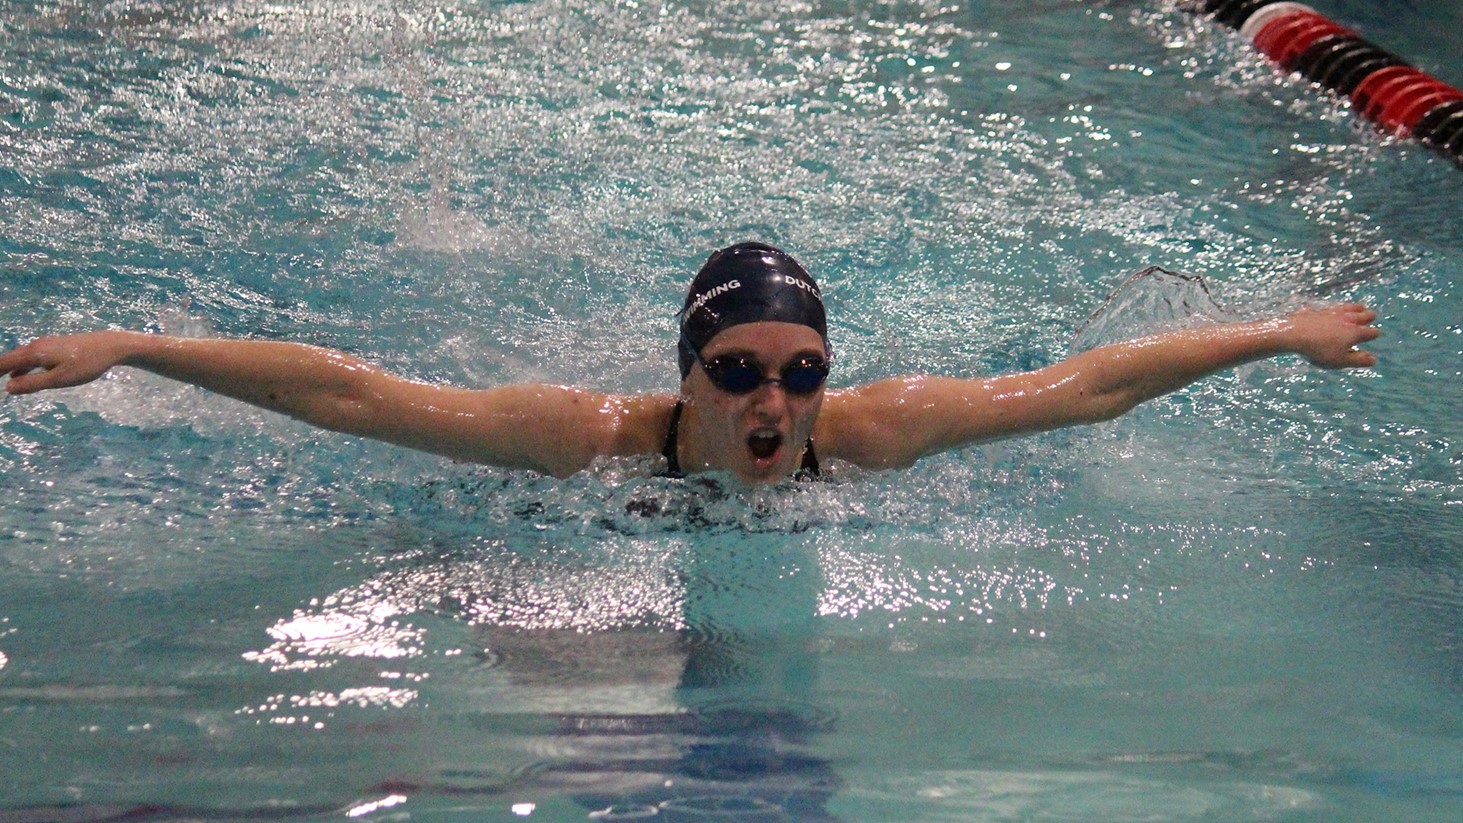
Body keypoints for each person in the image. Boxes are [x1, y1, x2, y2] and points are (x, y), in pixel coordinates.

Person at [0, 242, 1380, 485]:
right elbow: (349, 394)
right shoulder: (588, 439)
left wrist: (1276, 333)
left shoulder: (881, 434)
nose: (772, 402)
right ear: (686, 372)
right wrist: (136, 349)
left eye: (800, 372)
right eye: (736, 373)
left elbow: (1091, 385)